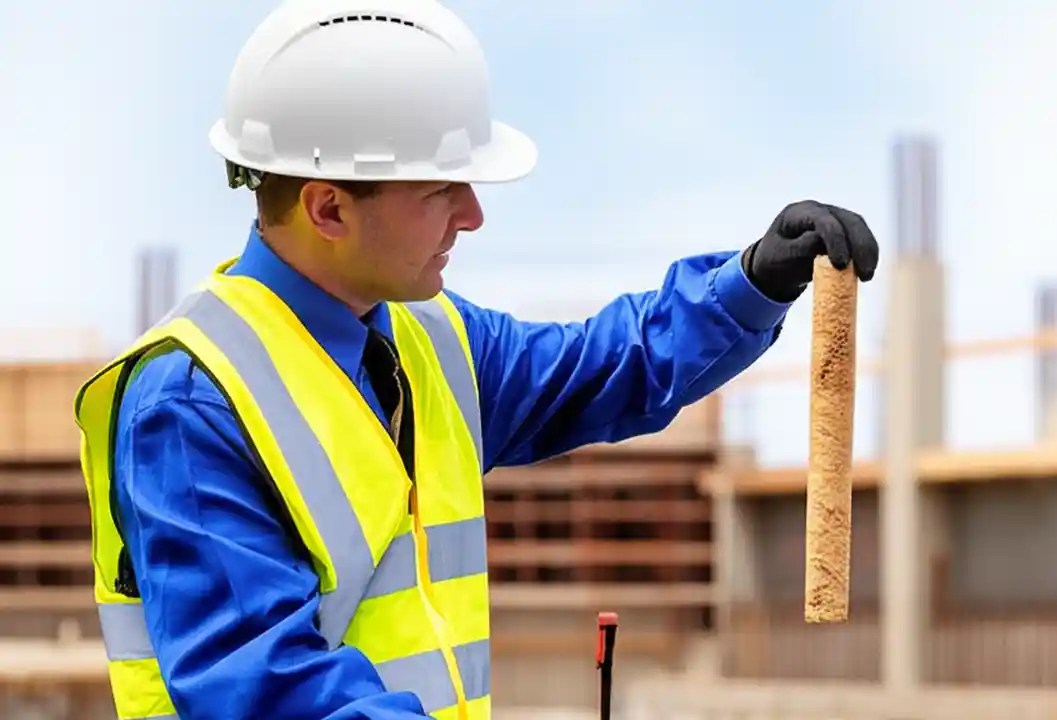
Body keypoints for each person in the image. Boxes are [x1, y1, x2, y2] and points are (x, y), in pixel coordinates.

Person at [73, 1, 879, 719]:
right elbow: (268, 690)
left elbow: (602, 366)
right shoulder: (188, 404)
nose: (474, 215)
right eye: (441, 191)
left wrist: (747, 284)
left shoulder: (431, 338)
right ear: (327, 209)